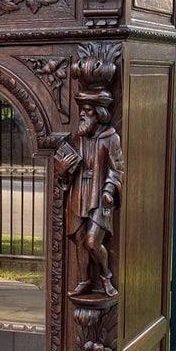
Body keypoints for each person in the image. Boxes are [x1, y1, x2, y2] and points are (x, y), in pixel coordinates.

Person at [59, 89, 123, 298]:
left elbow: (117, 168)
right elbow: (67, 167)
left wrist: (109, 190)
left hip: (99, 197)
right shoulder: (79, 137)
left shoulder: (110, 138)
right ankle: (85, 280)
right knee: (79, 239)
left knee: (92, 242)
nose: (83, 116)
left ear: (100, 113)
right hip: (78, 193)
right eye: (82, 112)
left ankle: (105, 276)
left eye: (88, 111)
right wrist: (62, 170)